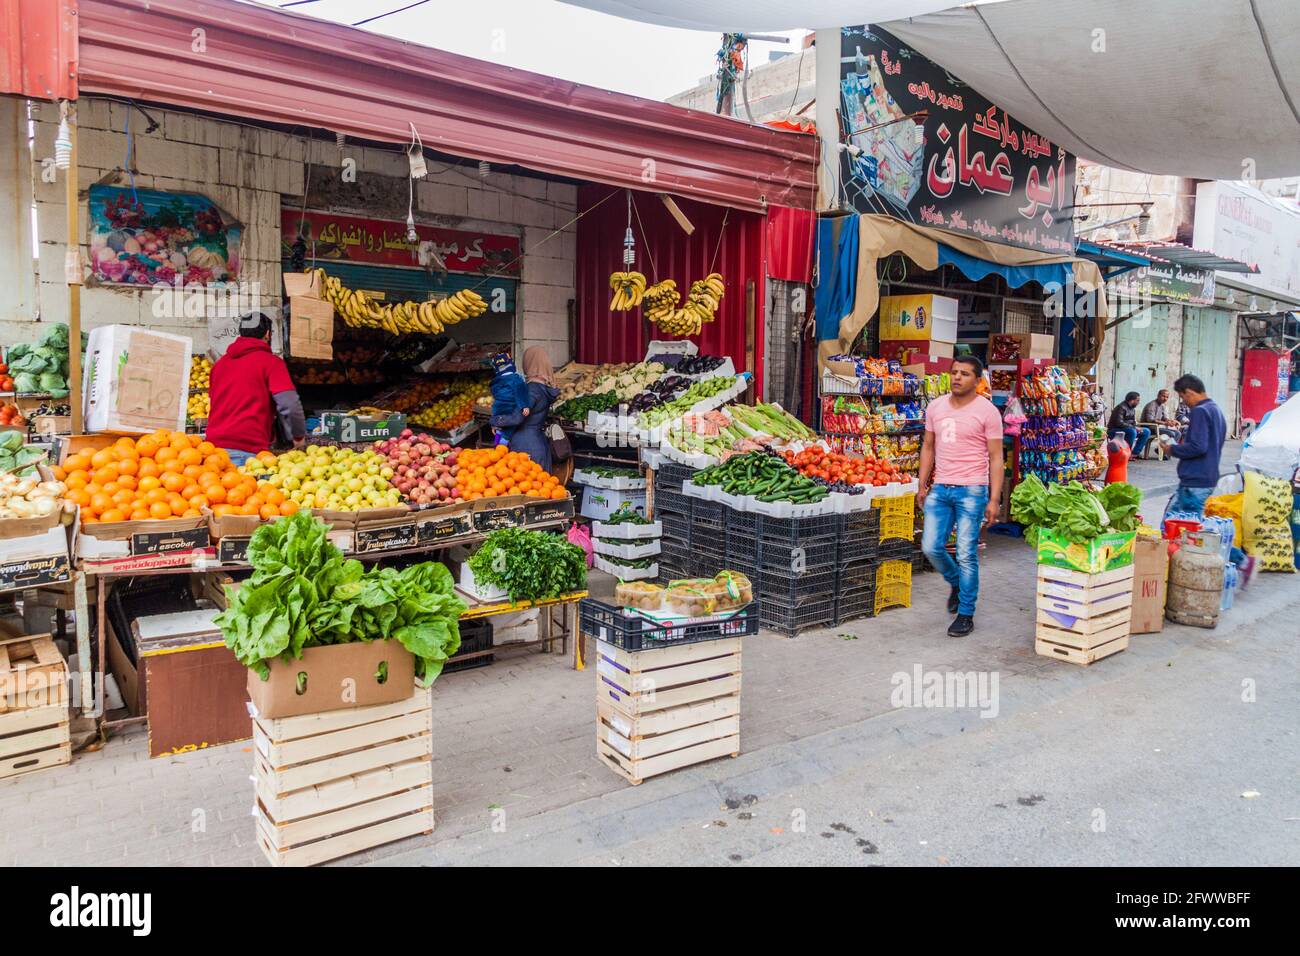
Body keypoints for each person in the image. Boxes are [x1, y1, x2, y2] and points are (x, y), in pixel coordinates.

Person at [918, 355, 1004, 638]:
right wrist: (922, 485)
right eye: (954, 372)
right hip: (941, 488)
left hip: (972, 490)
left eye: (965, 374)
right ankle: (956, 582)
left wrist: (994, 499)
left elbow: (995, 457)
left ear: (977, 381)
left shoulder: (988, 412)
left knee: (967, 554)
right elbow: (928, 447)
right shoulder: (935, 407)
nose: (957, 378)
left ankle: (966, 613)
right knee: (931, 547)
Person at [205, 309, 306, 466]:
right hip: (246, 451)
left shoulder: (219, 365)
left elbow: (214, 402)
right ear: (267, 334)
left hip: (212, 451)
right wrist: (298, 436)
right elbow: (289, 403)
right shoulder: (271, 363)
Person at [1159, 374, 1226, 520]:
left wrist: (1172, 449)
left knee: (1178, 526)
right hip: (1206, 478)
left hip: (1196, 480)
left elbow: (1198, 447)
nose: (1185, 402)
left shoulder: (1200, 411)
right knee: (1188, 526)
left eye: (1183, 397)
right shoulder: (1216, 410)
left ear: (1189, 392)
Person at [490, 346, 559, 471]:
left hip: (526, 446)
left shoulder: (532, 389)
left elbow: (517, 418)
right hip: (537, 442)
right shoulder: (543, 387)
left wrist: (496, 421)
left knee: (527, 487)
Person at [488, 351, 530, 446]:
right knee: (511, 425)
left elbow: (494, 392)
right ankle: (502, 444)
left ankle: (496, 443)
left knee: (500, 423)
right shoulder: (516, 379)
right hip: (510, 406)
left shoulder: (496, 381)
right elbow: (521, 392)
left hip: (498, 406)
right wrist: (524, 405)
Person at [1106, 391, 1150, 458]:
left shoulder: (1132, 409)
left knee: (1146, 431)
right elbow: (1119, 423)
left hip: (1128, 429)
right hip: (1115, 430)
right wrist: (1134, 428)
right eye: (1137, 400)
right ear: (1132, 400)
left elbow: (1133, 422)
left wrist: (1136, 427)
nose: (1138, 402)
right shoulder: (1121, 407)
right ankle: (1126, 453)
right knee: (1132, 432)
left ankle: (1134, 453)